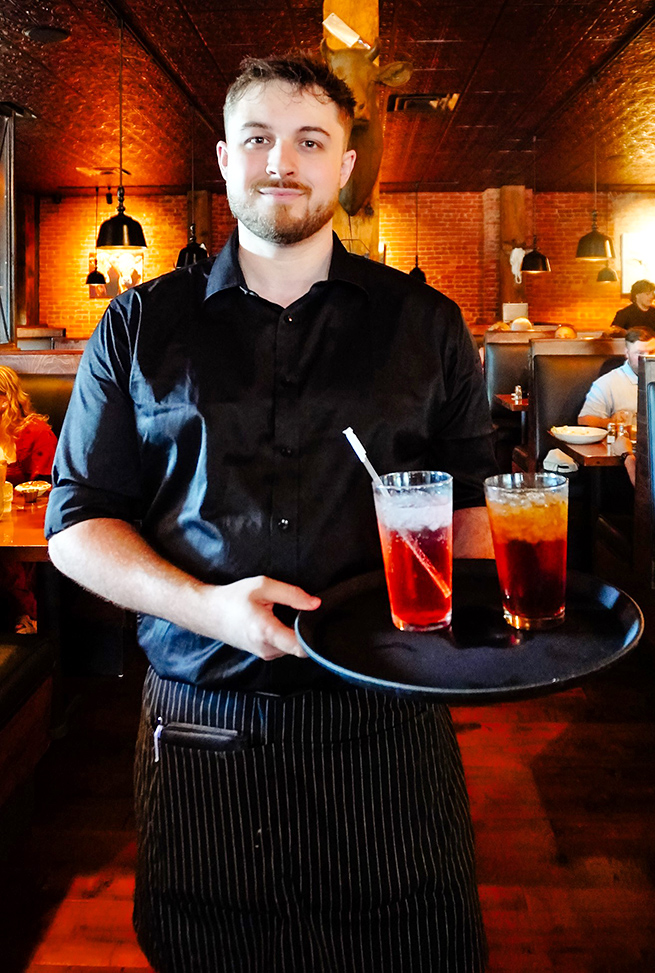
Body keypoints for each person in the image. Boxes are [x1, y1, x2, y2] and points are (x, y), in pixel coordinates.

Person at [45, 55, 497, 973]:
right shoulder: (137, 326)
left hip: (387, 720)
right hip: (204, 720)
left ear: (343, 166)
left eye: (309, 141)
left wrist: (505, 620)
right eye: (257, 138)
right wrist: (210, 609)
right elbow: (75, 526)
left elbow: (478, 513)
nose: (280, 161)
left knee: (417, 950)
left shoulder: (428, 323)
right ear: (223, 157)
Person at [0, 367, 58, 633]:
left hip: (28, 521)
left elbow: (49, 487)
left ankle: (28, 615)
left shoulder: (35, 431)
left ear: (9, 397)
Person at [578, 326, 655, 428]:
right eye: (640, 353)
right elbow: (584, 420)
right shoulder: (607, 383)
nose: (647, 358)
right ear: (627, 353)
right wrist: (611, 422)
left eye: (652, 352)